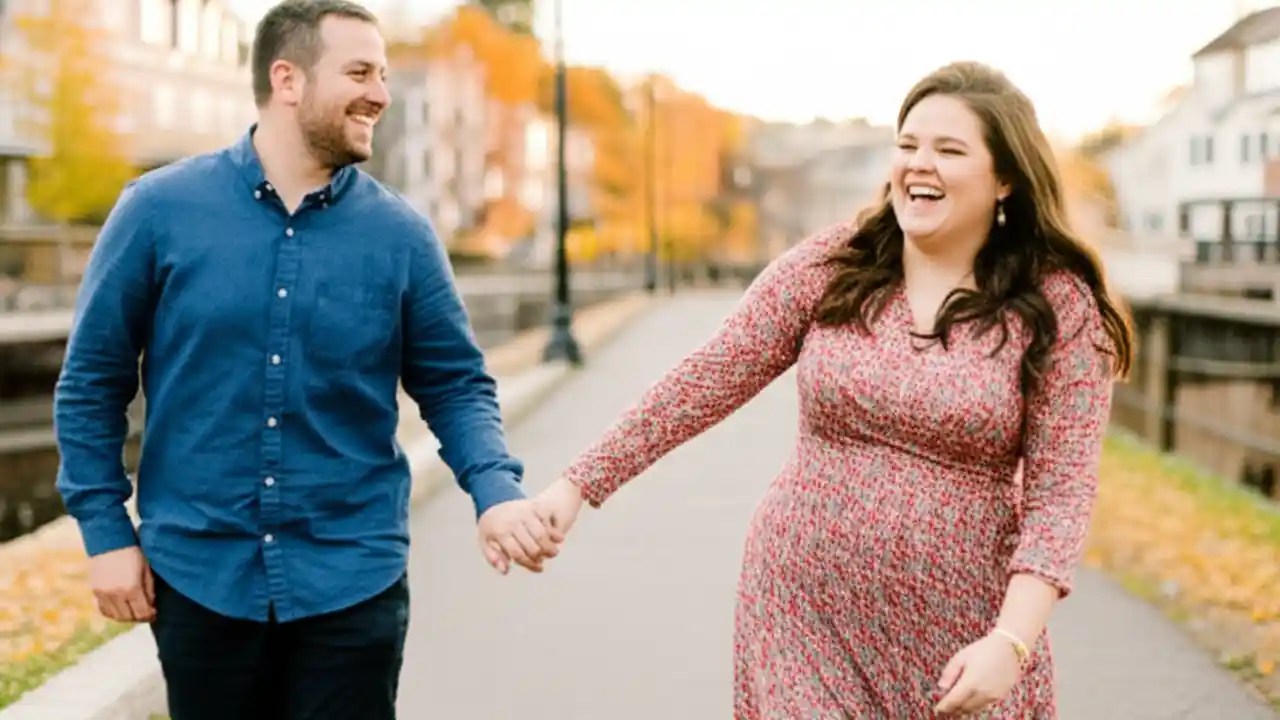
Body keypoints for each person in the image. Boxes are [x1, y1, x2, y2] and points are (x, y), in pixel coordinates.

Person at [534, 61, 1134, 718]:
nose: (918, 164)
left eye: (949, 150)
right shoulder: (834, 265)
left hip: (965, 636)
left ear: (1005, 179)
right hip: (801, 615)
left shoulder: (1057, 308)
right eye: (908, 146)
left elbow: (1061, 497)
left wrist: (1011, 641)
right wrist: (579, 484)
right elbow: (709, 376)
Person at [53, 1, 560, 718]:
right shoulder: (157, 211)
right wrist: (105, 532)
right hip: (200, 578)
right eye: (359, 72)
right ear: (287, 80)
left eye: (383, 74)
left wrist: (495, 490)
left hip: (353, 580)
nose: (381, 93)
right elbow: (91, 386)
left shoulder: (402, 236)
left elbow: (454, 384)